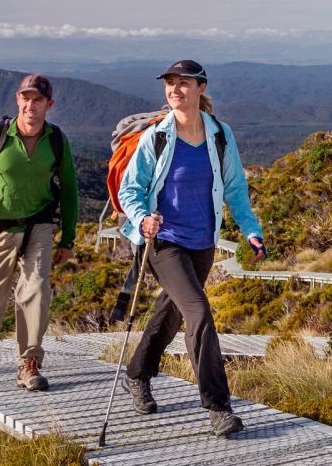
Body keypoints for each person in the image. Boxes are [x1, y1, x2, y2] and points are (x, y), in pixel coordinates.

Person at [117, 59, 265, 438]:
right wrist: (142, 218)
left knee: (170, 313)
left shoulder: (219, 134)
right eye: (170, 83)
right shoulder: (157, 137)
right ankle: (218, 407)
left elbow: (234, 188)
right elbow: (129, 190)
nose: (175, 90)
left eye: (184, 83)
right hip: (163, 243)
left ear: (201, 88)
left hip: (203, 243)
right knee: (198, 313)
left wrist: (250, 229)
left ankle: (137, 374)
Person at [0, 73, 78, 391]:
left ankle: (29, 362)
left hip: (39, 224)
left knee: (35, 289)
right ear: (17, 100)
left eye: (38, 100)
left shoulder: (56, 140)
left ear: (49, 104)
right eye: (26, 98)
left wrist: (67, 238)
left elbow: (69, 191)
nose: (31, 105)